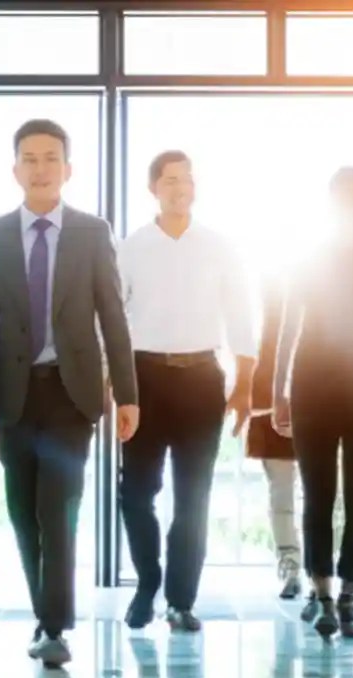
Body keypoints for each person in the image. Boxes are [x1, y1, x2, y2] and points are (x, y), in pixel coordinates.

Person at [0, 118, 139, 668]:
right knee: (23, 513)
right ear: (15, 168)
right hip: (13, 394)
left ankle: (53, 625)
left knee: (58, 508)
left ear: (68, 169)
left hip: (72, 393)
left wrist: (128, 394)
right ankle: (48, 613)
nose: (40, 169)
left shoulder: (92, 232)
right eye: (30, 159)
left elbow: (113, 314)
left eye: (50, 159)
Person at [118, 150, 256, 631]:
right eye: (171, 179)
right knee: (135, 493)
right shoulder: (130, 248)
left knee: (193, 496)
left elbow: (241, 315)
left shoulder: (218, 246)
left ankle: (181, 600)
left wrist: (244, 385)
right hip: (143, 379)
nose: (180, 187)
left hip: (202, 378)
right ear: (153, 188)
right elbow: (110, 324)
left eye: (188, 179)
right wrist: (116, 391)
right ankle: (147, 582)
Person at [273, 167, 353, 640]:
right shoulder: (309, 255)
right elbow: (289, 324)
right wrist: (278, 392)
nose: (351, 203)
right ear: (332, 202)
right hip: (311, 381)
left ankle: (349, 594)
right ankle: (322, 593)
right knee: (318, 495)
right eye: (342, 196)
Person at [247, 271, 303, 600]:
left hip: (313, 395)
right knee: (284, 495)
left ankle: (307, 568)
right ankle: (292, 567)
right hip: (270, 398)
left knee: (313, 495)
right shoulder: (269, 290)